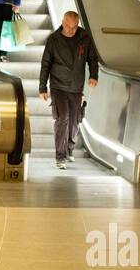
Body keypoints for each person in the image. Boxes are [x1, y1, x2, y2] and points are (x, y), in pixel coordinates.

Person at [39, 11, 100, 169]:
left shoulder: (84, 37)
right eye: (68, 26)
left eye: (74, 27)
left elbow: (92, 58)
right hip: (58, 85)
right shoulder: (54, 39)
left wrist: (94, 75)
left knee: (74, 121)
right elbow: (45, 63)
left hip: (76, 86)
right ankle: (60, 157)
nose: (71, 30)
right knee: (62, 119)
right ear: (62, 22)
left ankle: (69, 149)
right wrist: (42, 87)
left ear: (78, 24)